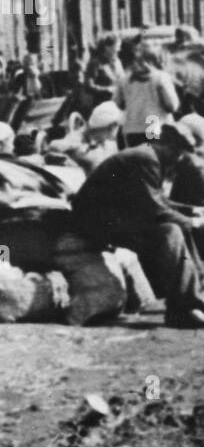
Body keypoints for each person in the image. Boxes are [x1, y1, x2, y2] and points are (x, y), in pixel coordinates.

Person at [71, 124, 204, 328]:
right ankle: (183, 307)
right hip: (96, 224)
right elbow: (155, 209)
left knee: (177, 226)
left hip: (113, 219)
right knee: (171, 231)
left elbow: (158, 200)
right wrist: (192, 222)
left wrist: (192, 210)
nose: (178, 158)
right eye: (177, 152)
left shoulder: (149, 156)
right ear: (165, 145)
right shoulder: (145, 159)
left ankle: (194, 296)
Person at [115, 42, 179, 146]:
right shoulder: (160, 77)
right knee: (155, 157)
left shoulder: (124, 79)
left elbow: (118, 103)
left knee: (139, 159)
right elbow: (172, 106)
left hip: (132, 129)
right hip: (155, 125)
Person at [50, 101, 123, 175]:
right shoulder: (77, 138)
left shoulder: (103, 142)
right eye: (110, 130)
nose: (109, 136)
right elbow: (54, 145)